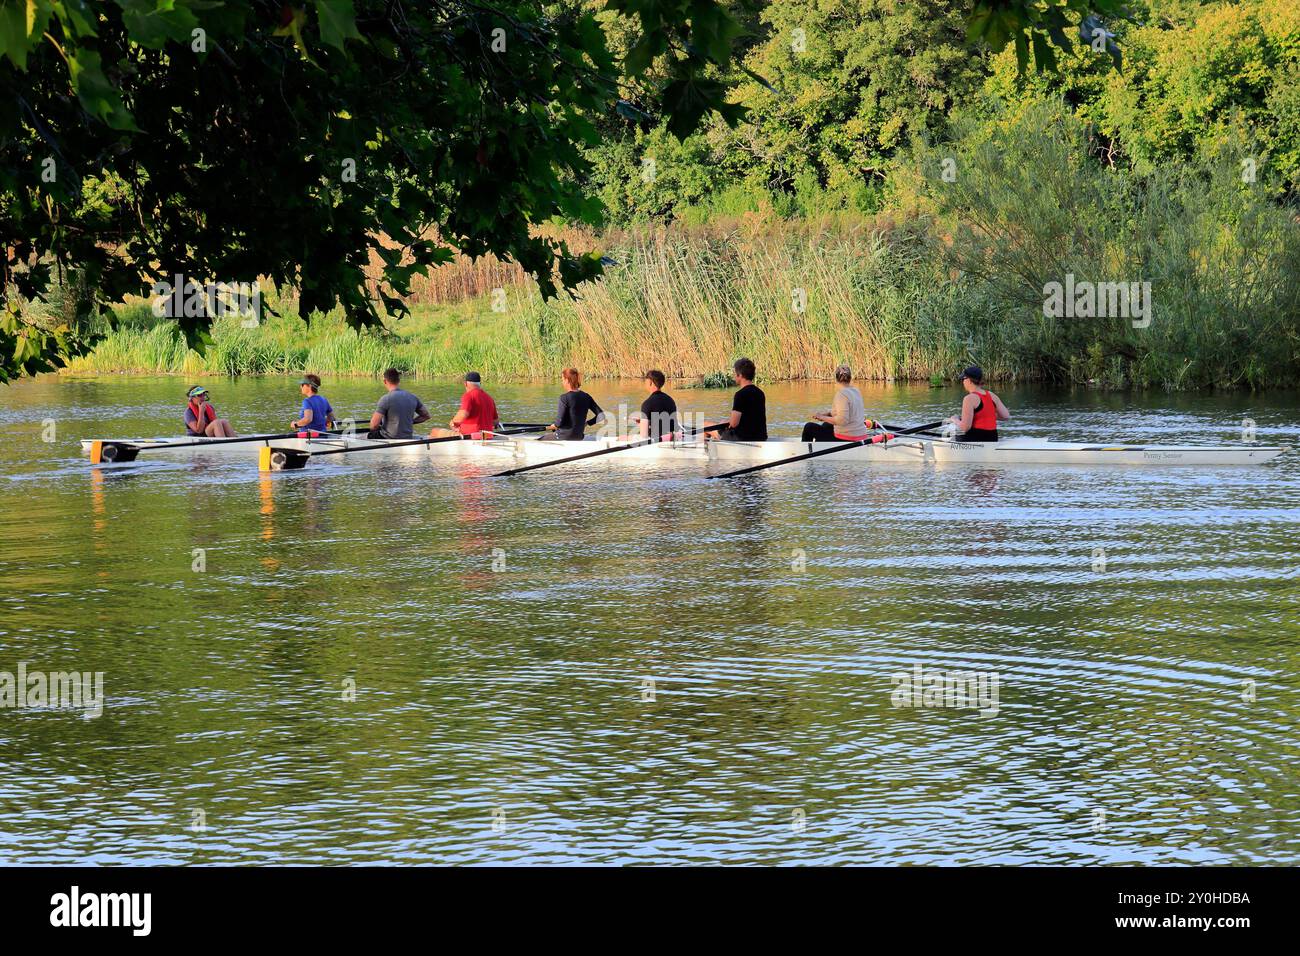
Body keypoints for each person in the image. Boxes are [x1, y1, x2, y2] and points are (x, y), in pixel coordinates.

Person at [703, 358, 767, 441]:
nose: (734, 376)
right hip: (760, 436)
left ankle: (706, 451)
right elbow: (750, 418)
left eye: (734, 373)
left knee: (705, 425)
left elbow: (734, 424)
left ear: (739, 375)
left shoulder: (740, 395)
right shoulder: (760, 393)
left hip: (742, 437)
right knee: (720, 425)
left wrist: (725, 423)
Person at [801, 365, 871, 442]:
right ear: (850, 378)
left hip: (848, 439)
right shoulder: (856, 391)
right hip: (860, 435)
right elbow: (848, 412)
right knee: (826, 425)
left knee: (809, 427)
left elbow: (842, 420)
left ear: (836, 379)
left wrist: (821, 417)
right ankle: (820, 447)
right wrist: (826, 414)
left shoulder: (841, 394)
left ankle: (807, 451)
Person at [429, 372, 502, 438]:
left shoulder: (468, 396)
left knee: (434, 431)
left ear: (465, 384)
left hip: (469, 435)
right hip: (487, 436)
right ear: (480, 384)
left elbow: (463, 414)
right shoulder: (489, 398)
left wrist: (453, 423)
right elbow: (495, 421)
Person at [542, 367, 606, 440]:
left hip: (563, 436)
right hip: (579, 437)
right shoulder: (587, 397)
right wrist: (586, 423)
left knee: (539, 440)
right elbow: (601, 415)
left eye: (562, 379)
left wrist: (554, 425)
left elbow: (559, 423)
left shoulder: (564, 398)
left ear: (567, 380)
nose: (562, 382)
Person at [949, 366, 1010, 442]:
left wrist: (955, 420)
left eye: (963, 379)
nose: (963, 382)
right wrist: (985, 414)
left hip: (976, 439)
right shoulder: (991, 395)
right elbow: (1006, 416)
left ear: (969, 380)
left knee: (955, 430)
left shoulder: (969, 399)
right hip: (992, 438)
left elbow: (965, 427)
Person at [368, 368, 430, 439]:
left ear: (385, 381)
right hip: (407, 437)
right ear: (398, 381)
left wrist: (373, 431)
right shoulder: (413, 397)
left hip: (389, 438)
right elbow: (426, 416)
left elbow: (374, 425)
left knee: (370, 435)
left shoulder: (386, 399)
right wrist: (410, 421)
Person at [633, 369, 678, 442]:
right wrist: (641, 422)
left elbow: (644, 436)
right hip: (671, 440)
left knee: (622, 438)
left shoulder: (647, 404)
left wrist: (642, 424)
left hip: (656, 443)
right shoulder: (671, 400)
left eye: (646, 381)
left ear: (650, 382)